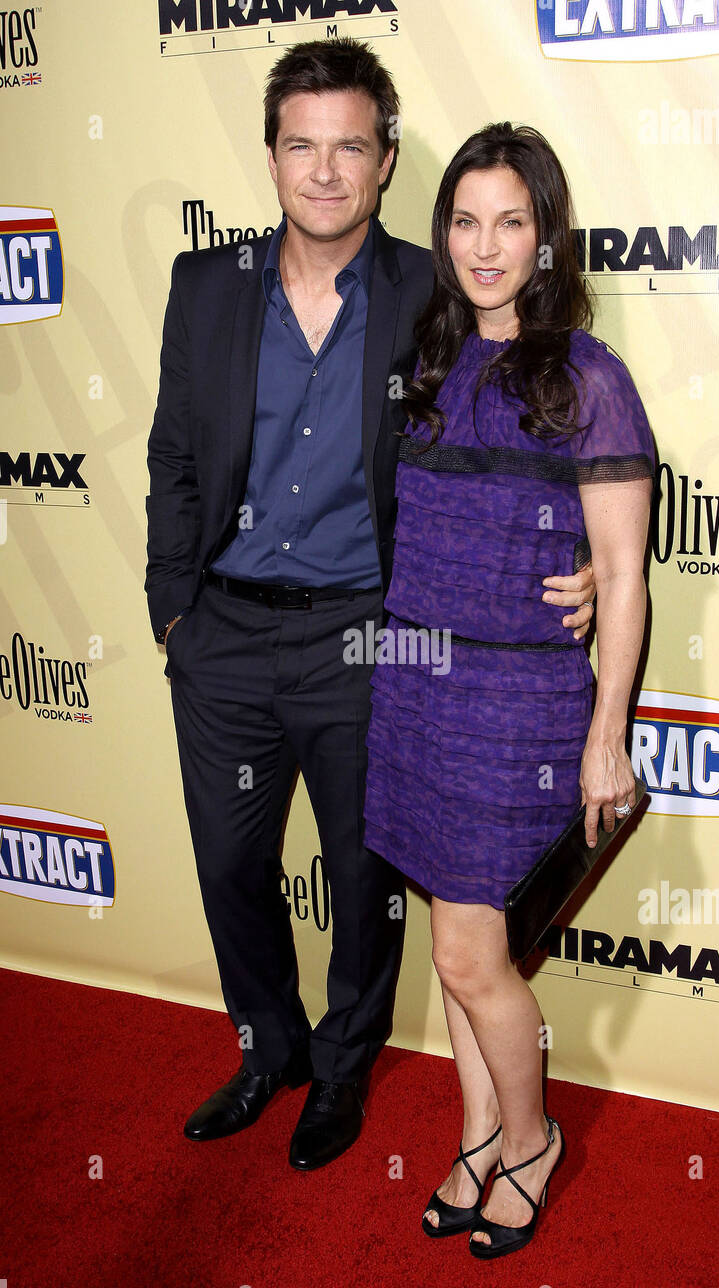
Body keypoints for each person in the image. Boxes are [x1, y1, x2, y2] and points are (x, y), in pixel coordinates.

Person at [145, 40, 596, 1172]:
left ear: (387, 161)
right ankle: (266, 1050)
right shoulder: (204, 287)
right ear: (271, 155)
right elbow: (171, 456)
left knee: (365, 879)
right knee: (229, 866)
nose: (327, 170)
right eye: (304, 144)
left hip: (368, 638)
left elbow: (538, 416)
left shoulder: (432, 293)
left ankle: (341, 1073)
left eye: (352, 145)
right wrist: (172, 610)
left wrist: (586, 559)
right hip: (226, 637)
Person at [363, 123, 655, 1255]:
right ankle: (480, 1129)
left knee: (474, 956)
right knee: (450, 943)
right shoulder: (427, 363)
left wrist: (605, 733)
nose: (486, 246)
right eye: (466, 220)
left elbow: (621, 571)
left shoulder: (590, 376)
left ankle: (532, 1141)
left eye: (512, 221)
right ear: (444, 234)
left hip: (519, 710)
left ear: (546, 237)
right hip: (416, 693)